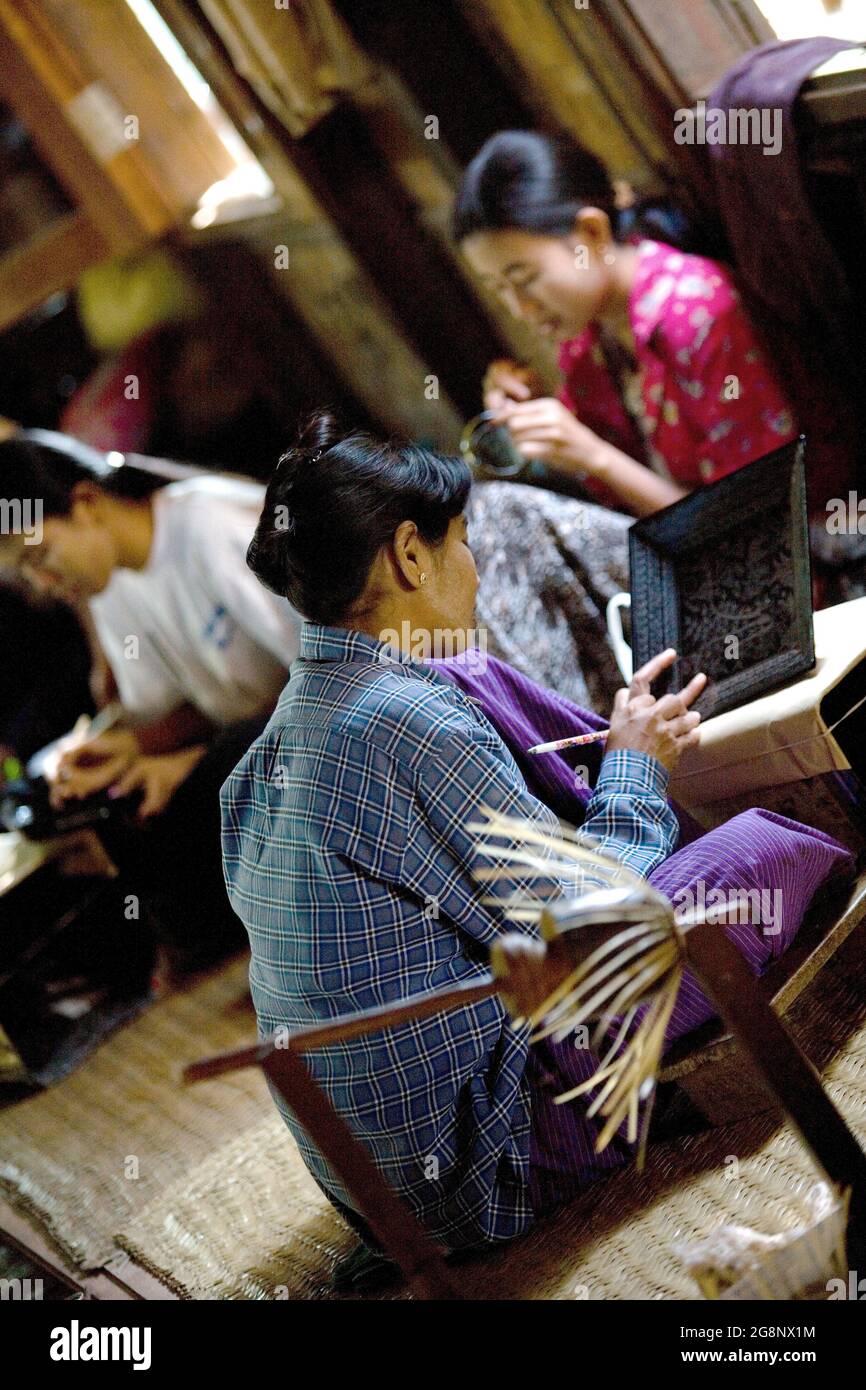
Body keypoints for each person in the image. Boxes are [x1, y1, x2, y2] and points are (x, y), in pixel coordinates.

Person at [221, 415, 849, 1256]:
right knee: (770, 848)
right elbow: (599, 921)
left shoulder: (258, 764)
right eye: (464, 545)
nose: (476, 575)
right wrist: (631, 765)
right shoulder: (406, 720)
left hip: (375, 1197)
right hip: (488, 1161)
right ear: (411, 555)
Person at [0, 433, 302, 964]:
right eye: (26, 576)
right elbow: (193, 704)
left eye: (40, 555)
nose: (44, 584)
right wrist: (134, 749)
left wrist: (189, 761)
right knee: (133, 827)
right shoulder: (113, 584)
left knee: (220, 774)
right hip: (266, 745)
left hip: (348, 721)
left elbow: (339, 670)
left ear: (87, 503)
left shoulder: (208, 526)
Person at [454, 131, 798, 517]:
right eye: (499, 288)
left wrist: (594, 456)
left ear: (592, 232)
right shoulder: (583, 333)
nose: (520, 309)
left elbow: (760, 524)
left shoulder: (698, 312)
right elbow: (616, 491)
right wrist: (535, 412)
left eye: (525, 279)